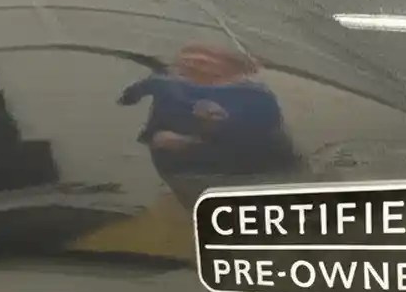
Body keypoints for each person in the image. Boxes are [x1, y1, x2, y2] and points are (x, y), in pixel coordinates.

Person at [118, 44, 298, 204]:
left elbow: (255, 136)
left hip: (237, 176)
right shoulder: (164, 84)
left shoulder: (255, 96)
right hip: (181, 171)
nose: (191, 65)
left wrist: (198, 135)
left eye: (202, 63)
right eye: (185, 62)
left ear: (228, 69)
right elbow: (130, 97)